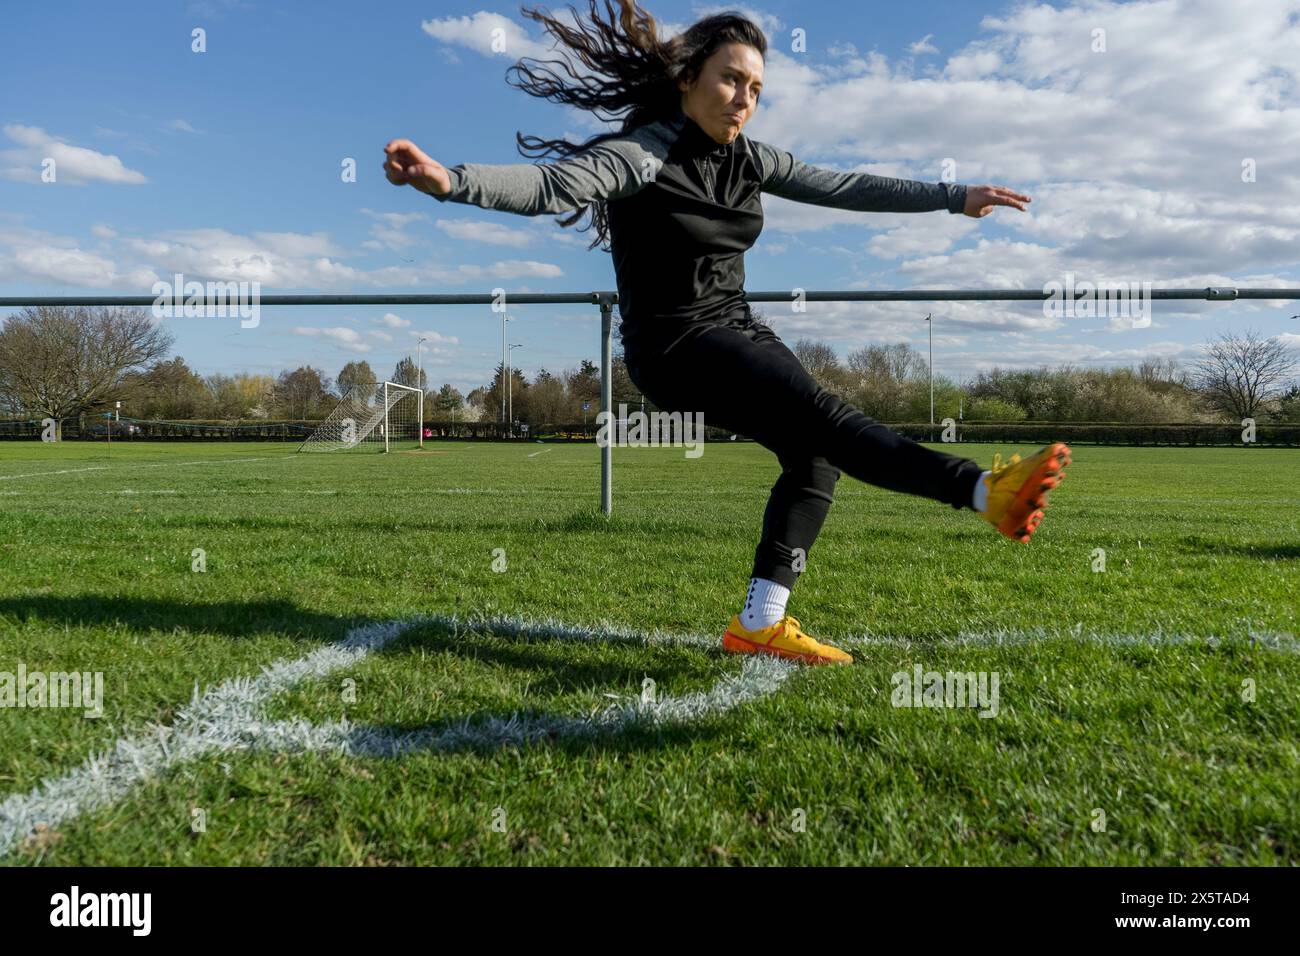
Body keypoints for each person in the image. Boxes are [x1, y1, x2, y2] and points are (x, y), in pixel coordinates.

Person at [383, 2, 1070, 665]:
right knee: (823, 415)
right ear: (688, 79)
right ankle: (982, 490)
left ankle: (759, 623)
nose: (743, 98)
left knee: (813, 456)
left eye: (756, 89)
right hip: (674, 349)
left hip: (737, 330)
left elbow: (846, 185)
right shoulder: (641, 156)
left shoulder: (753, 158)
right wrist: (450, 180)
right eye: (730, 79)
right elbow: (551, 185)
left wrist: (953, 196)